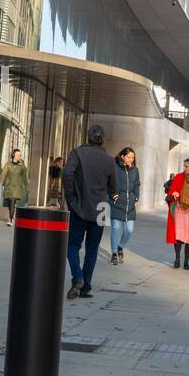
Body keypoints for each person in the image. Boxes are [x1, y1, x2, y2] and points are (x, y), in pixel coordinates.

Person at [63, 125, 119, 300]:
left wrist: (71, 198)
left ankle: (77, 277)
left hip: (79, 206)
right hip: (101, 209)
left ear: (88, 137)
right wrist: (108, 202)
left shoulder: (77, 153)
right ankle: (86, 287)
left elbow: (67, 174)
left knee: (72, 246)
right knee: (92, 249)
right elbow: (114, 189)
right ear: (103, 138)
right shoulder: (109, 160)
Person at [109, 148, 140, 264]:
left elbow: (137, 184)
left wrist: (136, 196)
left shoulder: (135, 170)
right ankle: (114, 254)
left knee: (129, 230)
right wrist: (112, 194)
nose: (131, 159)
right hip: (116, 203)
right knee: (115, 229)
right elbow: (108, 181)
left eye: (133, 157)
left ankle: (120, 246)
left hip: (129, 204)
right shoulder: (114, 167)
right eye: (129, 157)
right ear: (122, 156)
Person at [0, 148, 29, 226]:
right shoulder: (8, 164)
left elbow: (25, 178)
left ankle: (10, 219)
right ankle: (12, 216)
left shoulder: (22, 166)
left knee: (12, 201)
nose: (19, 156)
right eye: (17, 155)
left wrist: (27, 188)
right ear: (13, 155)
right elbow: (4, 173)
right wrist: (1, 181)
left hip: (17, 187)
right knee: (10, 203)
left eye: (20, 155)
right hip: (9, 186)